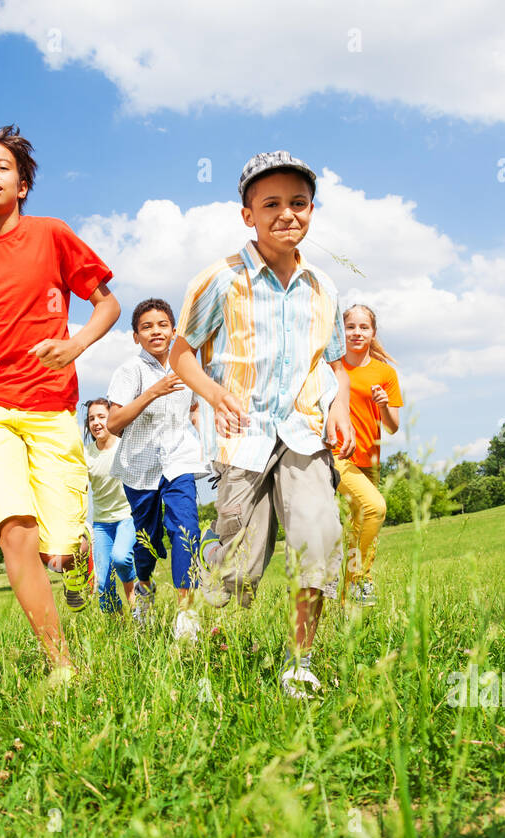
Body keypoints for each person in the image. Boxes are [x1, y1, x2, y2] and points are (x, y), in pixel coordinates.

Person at [0, 124, 120, 682]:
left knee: (61, 547)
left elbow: (106, 305)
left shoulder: (53, 236)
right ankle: (60, 664)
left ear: (23, 183)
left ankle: (78, 562)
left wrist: (75, 343)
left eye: (2, 166)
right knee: (16, 530)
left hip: (52, 410)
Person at [171, 151, 355, 698]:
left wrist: (340, 405)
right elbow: (181, 352)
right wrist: (211, 391)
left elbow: (336, 359)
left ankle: (301, 660)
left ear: (312, 210)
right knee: (240, 563)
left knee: (316, 540)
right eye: (270, 203)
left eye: (297, 203)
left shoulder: (324, 287)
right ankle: (199, 615)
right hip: (242, 435)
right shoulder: (219, 280)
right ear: (247, 213)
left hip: (304, 431)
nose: (286, 214)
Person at [105, 298, 204, 640]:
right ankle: (144, 590)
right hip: (140, 468)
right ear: (136, 336)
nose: (155, 331)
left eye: (162, 324)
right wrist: (152, 393)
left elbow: (194, 410)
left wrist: (210, 449)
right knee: (146, 543)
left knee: (186, 530)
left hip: (179, 460)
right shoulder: (129, 371)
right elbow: (114, 422)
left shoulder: (187, 366)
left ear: (174, 330)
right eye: (146, 327)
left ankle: (186, 614)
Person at [336, 304, 403, 607]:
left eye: (364, 327)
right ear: (342, 330)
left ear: (373, 332)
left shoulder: (384, 373)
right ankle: (360, 581)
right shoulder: (331, 367)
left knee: (361, 529)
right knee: (375, 507)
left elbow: (392, 427)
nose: (357, 333)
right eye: (351, 327)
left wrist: (385, 403)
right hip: (338, 456)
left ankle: (345, 602)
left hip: (370, 461)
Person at [82, 398, 136, 614]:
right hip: (102, 524)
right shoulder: (86, 453)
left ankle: (136, 598)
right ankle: (118, 630)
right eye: (91, 419)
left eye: (101, 417)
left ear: (112, 418)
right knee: (103, 585)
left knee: (121, 557)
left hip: (127, 517)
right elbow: (79, 487)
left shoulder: (126, 446)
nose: (96, 423)